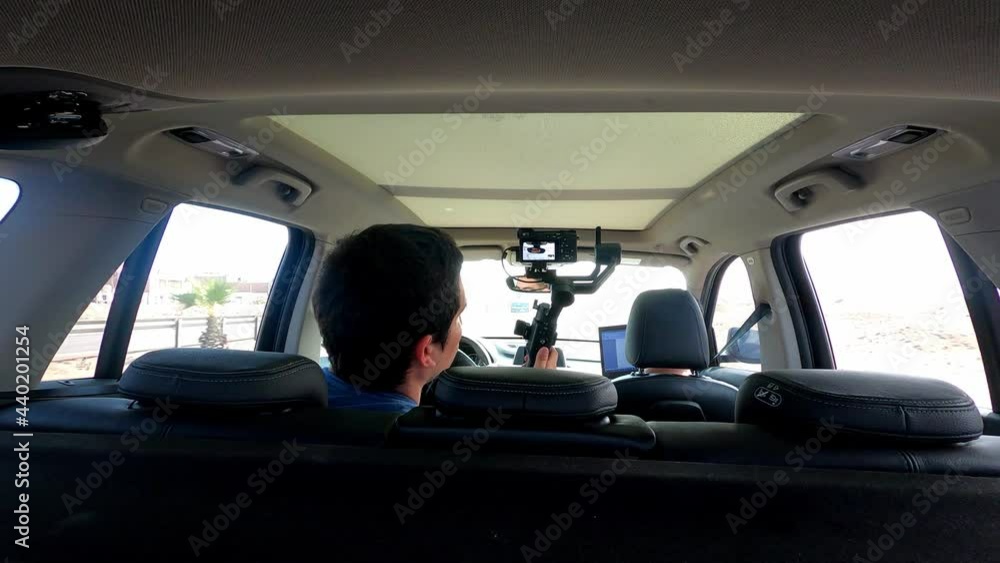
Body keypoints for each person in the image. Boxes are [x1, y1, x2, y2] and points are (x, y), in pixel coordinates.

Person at [313, 224, 559, 413]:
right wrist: (533, 403)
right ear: (426, 351)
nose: (460, 329)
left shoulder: (288, 411)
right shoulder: (438, 450)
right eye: (458, 318)